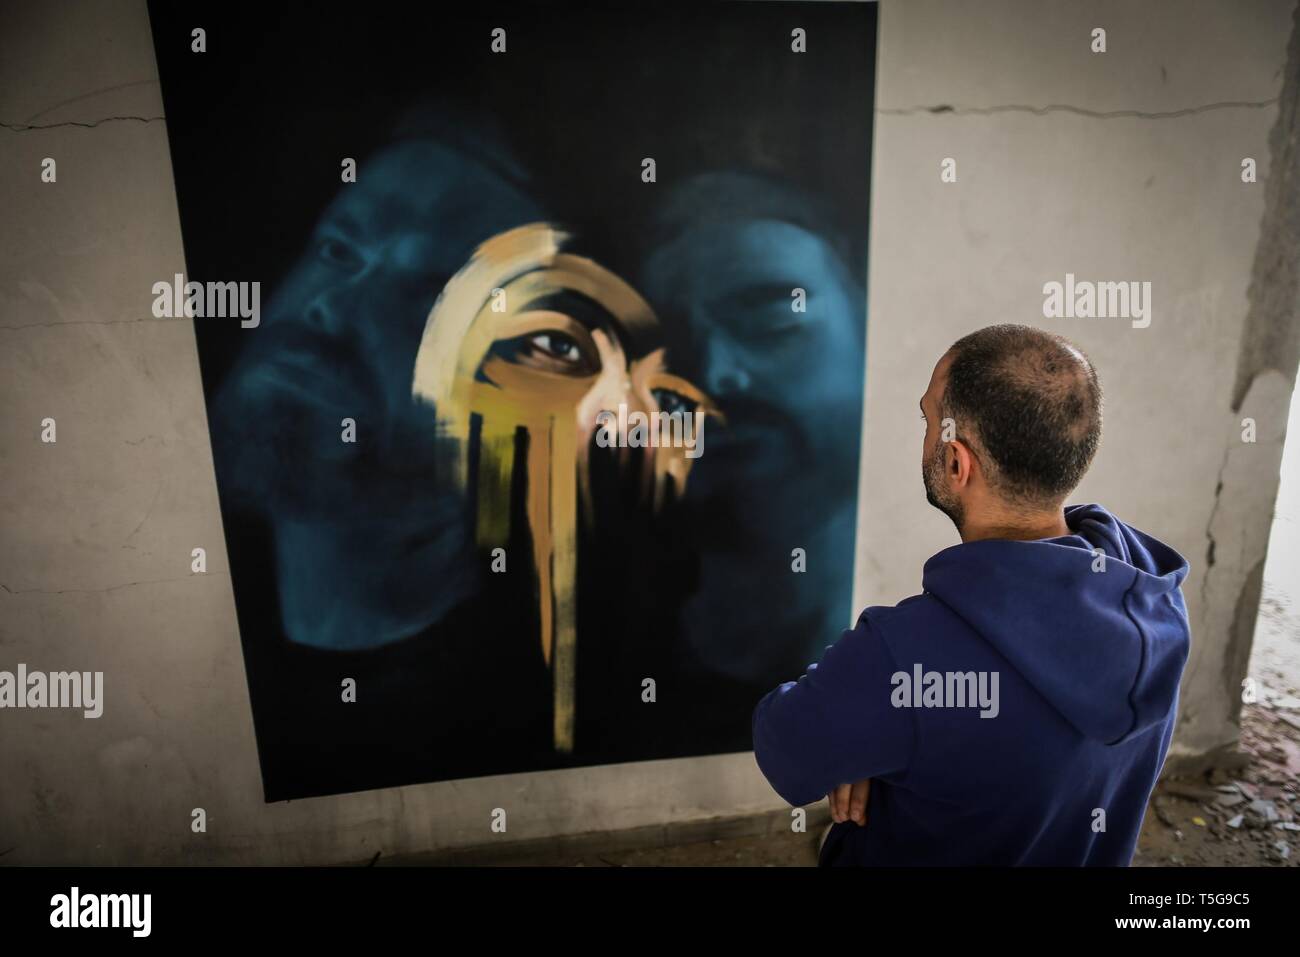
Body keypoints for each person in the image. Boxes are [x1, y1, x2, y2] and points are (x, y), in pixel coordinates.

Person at [752, 324, 1191, 866]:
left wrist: (859, 733)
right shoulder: (1149, 595)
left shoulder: (899, 659)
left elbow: (786, 750)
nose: (925, 433)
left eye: (928, 420)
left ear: (957, 463)